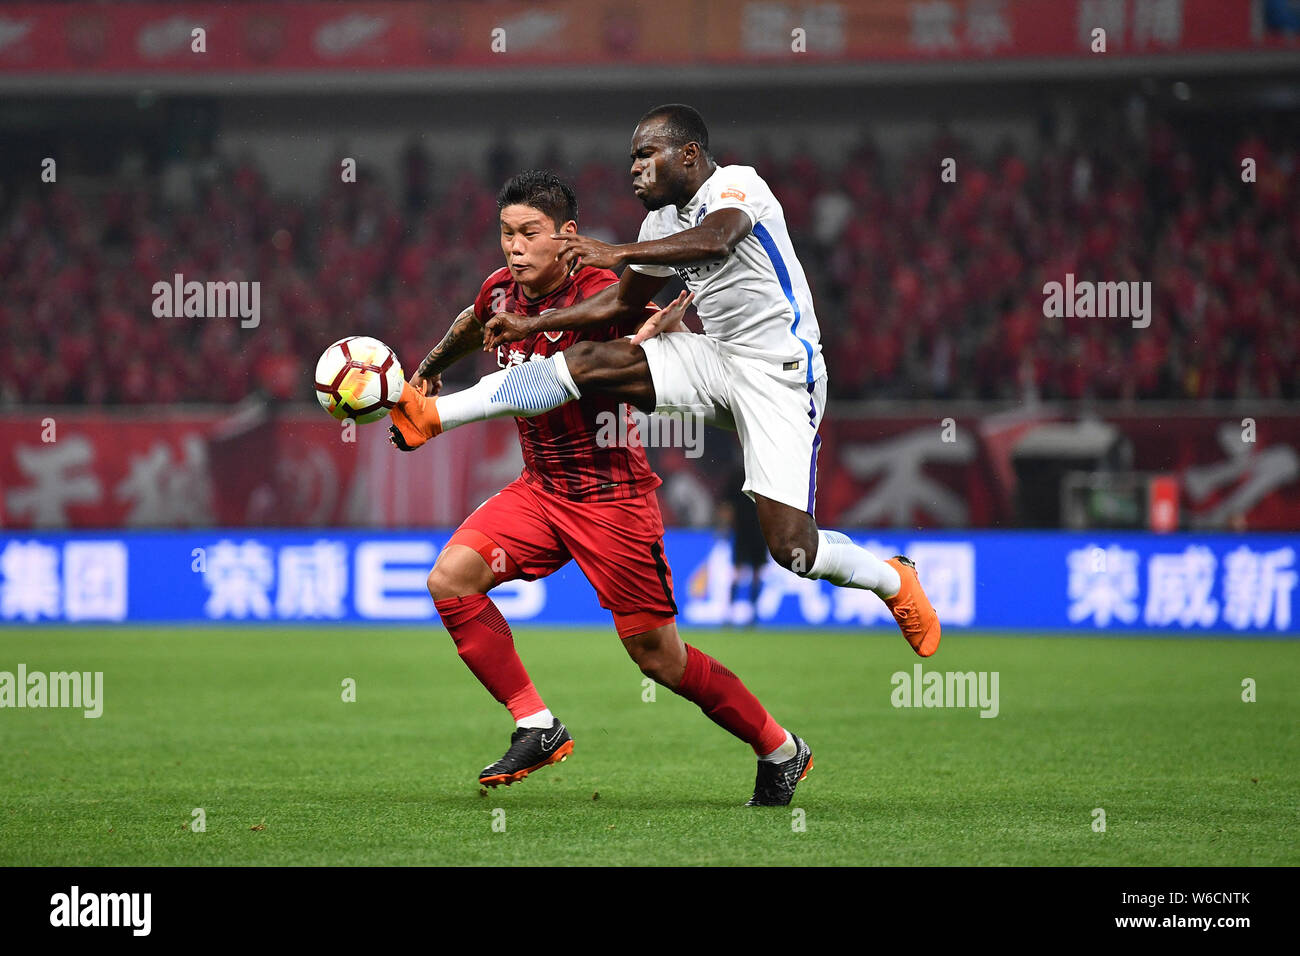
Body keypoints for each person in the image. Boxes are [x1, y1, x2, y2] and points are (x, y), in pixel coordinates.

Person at [390, 106, 942, 658]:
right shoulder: (659, 224)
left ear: (689, 154)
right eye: (632, 158)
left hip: (780, 375)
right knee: (592, 361)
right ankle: (433, 416)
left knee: (793, 547)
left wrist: (617, 252)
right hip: (717, 359)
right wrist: (533, 324)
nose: (635, 168)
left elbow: (717, 240)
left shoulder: (737, 185)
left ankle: (892, 579)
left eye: (646, 155)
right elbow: (620, 302)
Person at [391, 170, 812, 806]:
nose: (515, 247)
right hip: (540, 490)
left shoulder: (606, 295)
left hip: (612, 498)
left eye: (530, 233)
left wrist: (669, 332)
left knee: (659, 659)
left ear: (567, 234)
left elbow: (671, 347)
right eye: (506, 233)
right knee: (450, 580)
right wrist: (426, 371)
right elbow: (472, 323)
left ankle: (779, 747)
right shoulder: (499, 291)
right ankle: (537, 725)